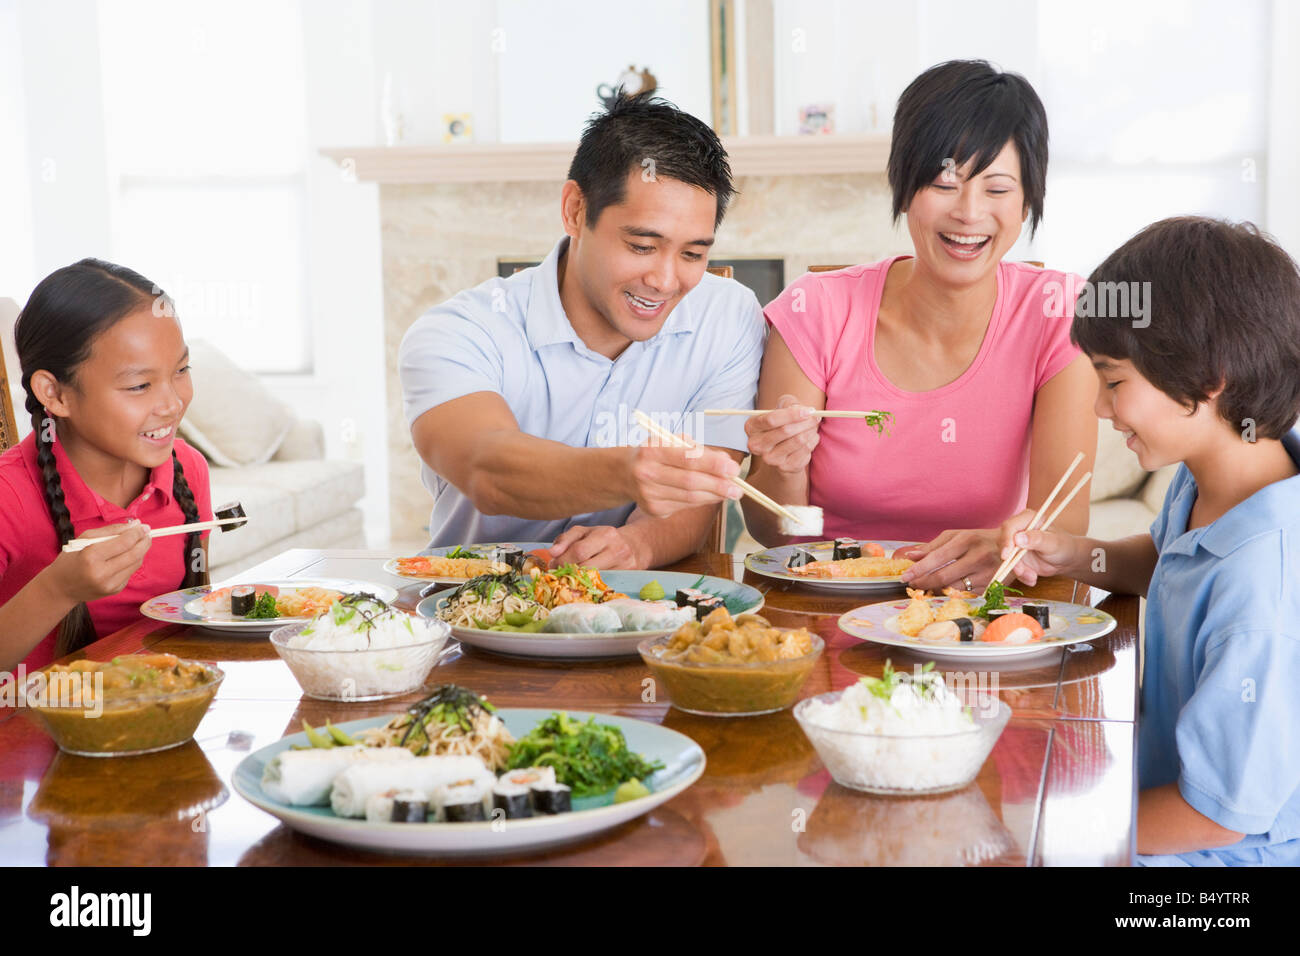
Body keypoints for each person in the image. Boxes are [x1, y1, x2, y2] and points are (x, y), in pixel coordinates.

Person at [999, 217, 1300, 865]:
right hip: (1161, 799)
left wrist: (1058, 835)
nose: (1102, 411)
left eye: (1112, 383)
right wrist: (1070, 553)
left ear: (1207, 377)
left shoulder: (1262, 584)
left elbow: (1214, 816)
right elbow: (1167, 559)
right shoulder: (1218, 479)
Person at [743, 60, 1097, 590]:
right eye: (942, 183)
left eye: (997, 190)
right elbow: (775, 532)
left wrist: (1011, 544)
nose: (969, 213)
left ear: (1027, 203)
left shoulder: (1059, 313)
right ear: (905, 187)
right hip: (830, 601)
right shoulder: (814, 310)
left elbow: (1063, 523)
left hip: (976, 609)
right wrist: (785, 468)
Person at [399, 92, 765, 569]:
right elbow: (488, 471)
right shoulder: (460, 332)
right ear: (575, 210)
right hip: (470, 604)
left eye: (693, 255)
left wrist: (637, 544)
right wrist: (632, 471)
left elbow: (698, 499)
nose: (665, 281)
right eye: (641, 246)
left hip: (636, 611)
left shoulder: (730, 317)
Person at [0, 260, 212, 672]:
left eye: (181, 370)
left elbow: (191, 625)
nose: (172, 404)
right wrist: (58, 589)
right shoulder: (8, 497)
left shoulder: (187, 470)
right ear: (54, 393)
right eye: (139, 386)